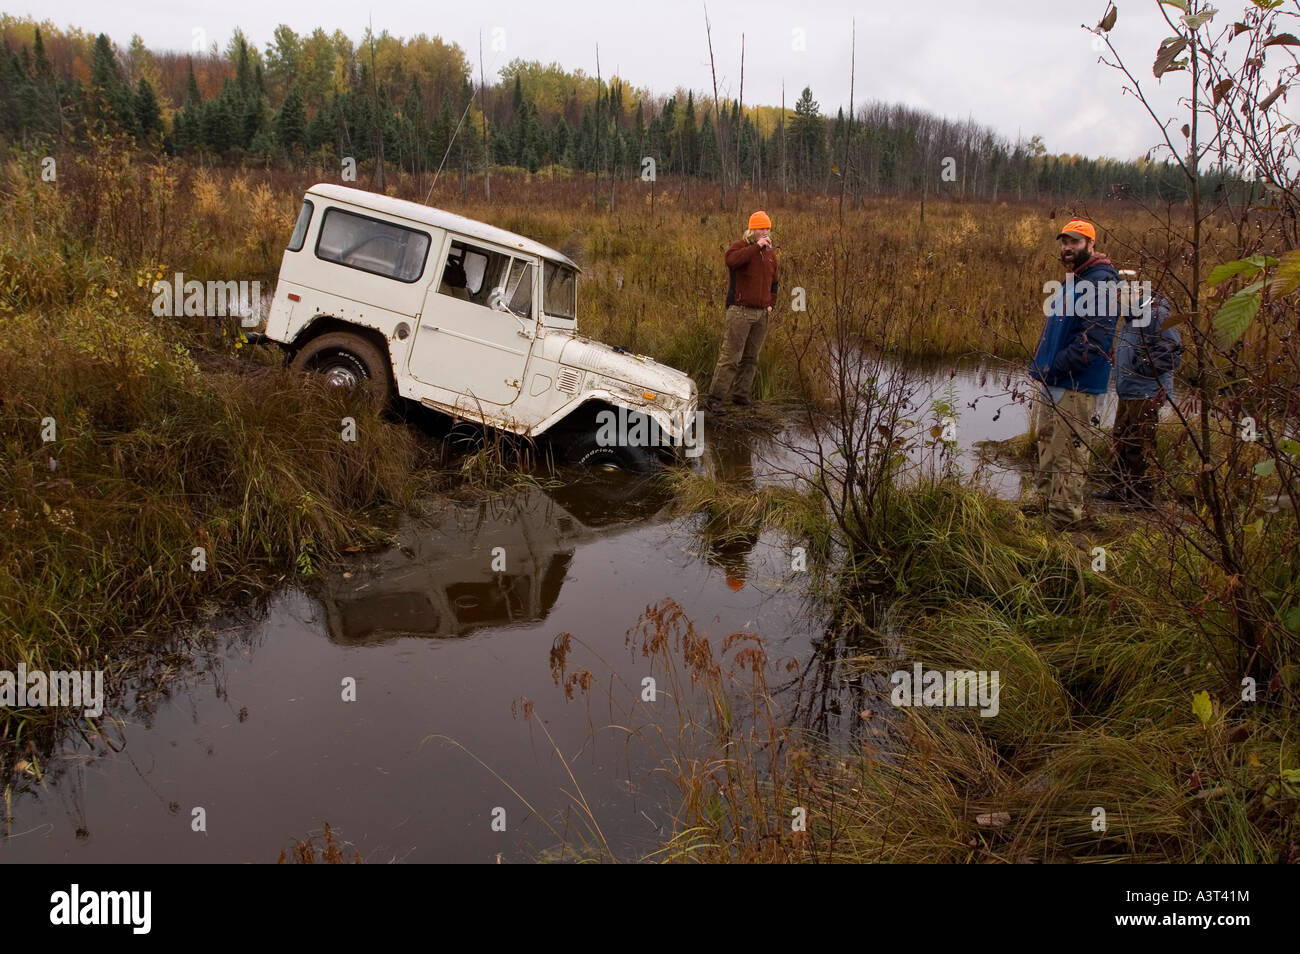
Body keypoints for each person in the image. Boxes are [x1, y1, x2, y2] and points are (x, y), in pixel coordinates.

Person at [1027, 219, 1121, 530]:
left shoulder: (1101, 281)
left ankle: (1064, 523)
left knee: (1069, 453)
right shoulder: (1075, 280)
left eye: (1076, 242)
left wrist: (1055, 366)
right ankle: (1043, 507)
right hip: (1055, 382)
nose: (1068, 248)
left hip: (1076, 385)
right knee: (1049, 444)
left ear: (1091, 245)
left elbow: (1095, 339)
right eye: (1065, 242)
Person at [1095, 274, 1181, 508]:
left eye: (1121, 294)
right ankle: (1119, 489)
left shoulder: (1156, 315)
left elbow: (1172, 351)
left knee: (1140, 444)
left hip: (1147, 391)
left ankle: (1143, 497)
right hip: (1129, 390)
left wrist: (1139, 365)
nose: (1117, 299)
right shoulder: (1131, 317)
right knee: (1121, 439)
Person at [707, 211, 778, 412]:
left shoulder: (770, 254)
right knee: (730, 357)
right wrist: (757, 247)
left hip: (762, 314)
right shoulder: (741, 246)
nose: (765, 232)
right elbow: (732, 261)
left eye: (767, 228)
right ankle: (715, 399)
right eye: (761, 228)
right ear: (752, 229)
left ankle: (740, 395)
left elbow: (775, 282)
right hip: (740, 312)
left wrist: (771, 304)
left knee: (751, 358)